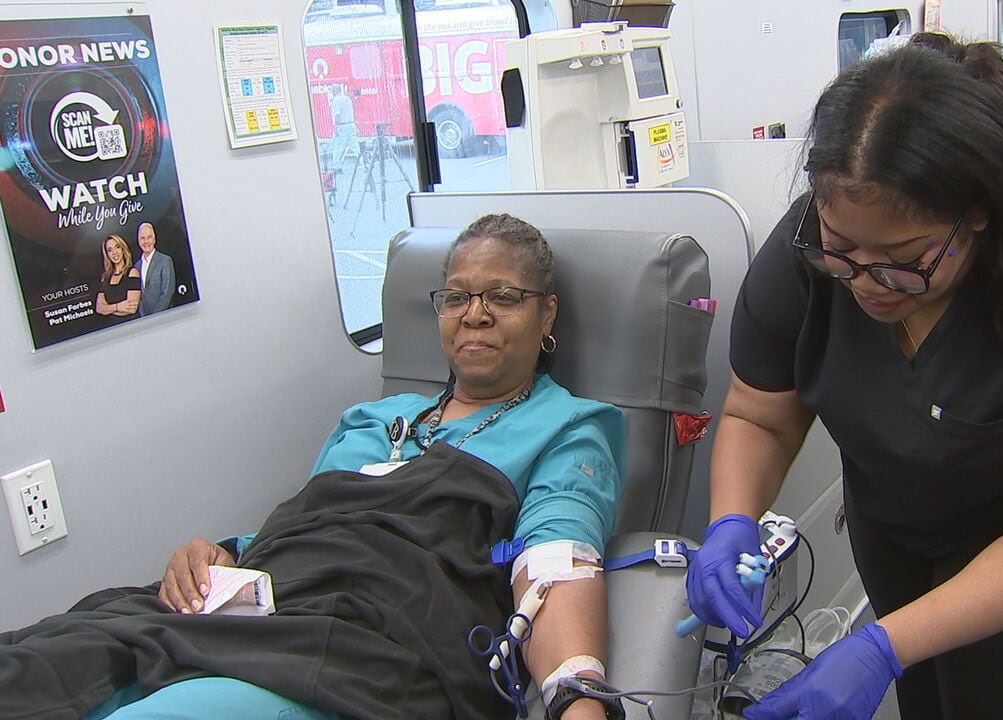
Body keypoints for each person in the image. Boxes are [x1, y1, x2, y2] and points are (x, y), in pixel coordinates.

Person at [684, 33, 1003, 720]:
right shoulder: (812, 251)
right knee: (923, 693)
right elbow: (760, 413)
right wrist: (732, 518)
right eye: (841, 249)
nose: (865, 281)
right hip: (894, 521)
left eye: (902, 259)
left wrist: (881, 647)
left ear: (979, 211)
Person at [0, 214, 627, 720]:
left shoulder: (568, 426)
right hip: (264, 606)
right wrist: (217, 554)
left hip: (366, 643)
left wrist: (576, 697)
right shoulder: (369, 419)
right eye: (457, 296)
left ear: (546, 314)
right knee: (48, 666)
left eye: (503, 296)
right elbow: (307, 530)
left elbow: (556, 562)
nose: (475, 313)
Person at [94, 234, 141, 323]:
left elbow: (132, 309)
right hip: (111, 326)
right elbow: (99, 308)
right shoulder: (105, 278)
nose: (114, 252)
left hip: (131, 324)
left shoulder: (132, 272)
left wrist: (108, 309)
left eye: (117, 247)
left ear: (123, 249)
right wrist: (118, 307)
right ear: (107, 254)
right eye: (110, 250)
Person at [134, 222, 175, 316]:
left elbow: (167, 294)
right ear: (138, 241)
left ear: (154, 239)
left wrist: (155, 317)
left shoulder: (165, 261)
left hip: (164, 316)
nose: (146, 241)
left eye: (149, 237)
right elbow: (138, 297)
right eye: (142, 238)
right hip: (144, 318)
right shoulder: (136, 266)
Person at [328, 84, 357, 172]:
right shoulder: (348, 99)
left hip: (342, 126)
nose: (332, 92)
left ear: (335, 91)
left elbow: (337, 115)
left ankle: (337, 167)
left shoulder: (336, 100)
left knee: (338, 147)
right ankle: (365, 163)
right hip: (351, 124)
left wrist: (336, 128)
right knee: (355, 146)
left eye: (332, 90)